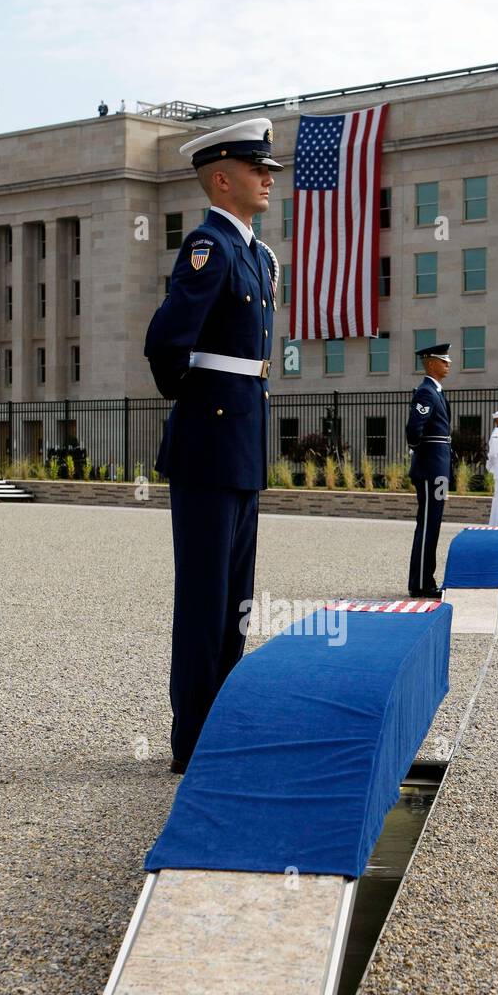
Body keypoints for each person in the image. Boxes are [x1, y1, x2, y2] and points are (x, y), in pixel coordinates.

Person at [144, 117, 282, 773]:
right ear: (222, 177)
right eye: (258, 170)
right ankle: (192, 741)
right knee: (203, 599)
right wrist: (199, 408)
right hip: (210, 443)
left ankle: (223, 725)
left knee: (237, 600)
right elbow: (167, 340)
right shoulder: (210, 246)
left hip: (243, 446)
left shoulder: (257, 254)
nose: (268, 180)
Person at [406, 342, 453, 598]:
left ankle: (425, 579)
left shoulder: (436, 392)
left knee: (433, 524)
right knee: (427, 525)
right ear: (431, 363)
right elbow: (414, 430)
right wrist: (420, 453)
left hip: (439, 469)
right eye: (443, 360)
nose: (448, 364)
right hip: (430, 469)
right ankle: (421, 583)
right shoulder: (425, 392)